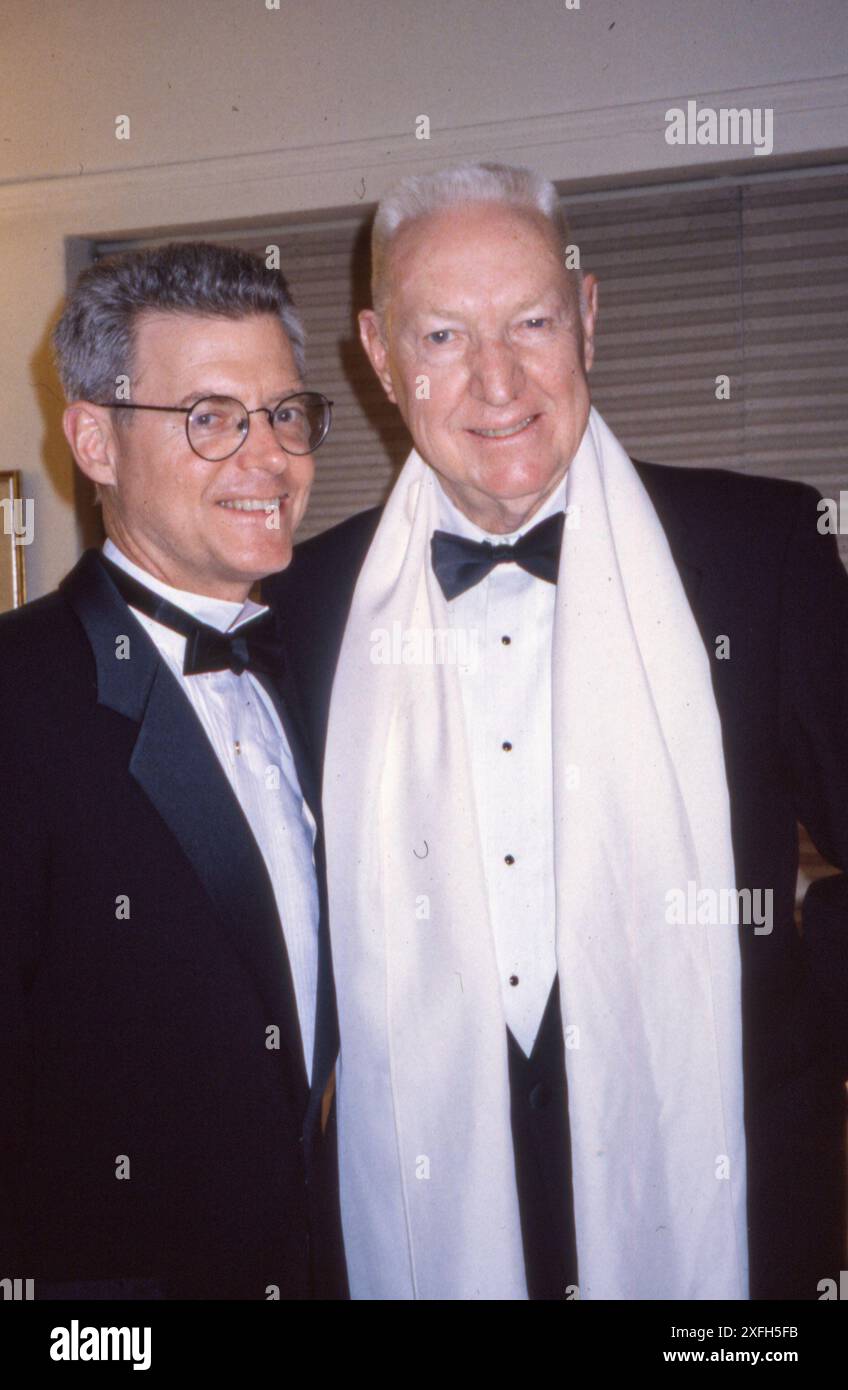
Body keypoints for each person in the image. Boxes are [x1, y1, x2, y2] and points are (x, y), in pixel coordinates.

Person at [265, 163, 848, 1301]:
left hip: (727, 1202)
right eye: (443, 336)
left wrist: (796, 985)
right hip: (414, 1208)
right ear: (380, 358)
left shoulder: (760, 550)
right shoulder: (302, 608)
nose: (496, 379)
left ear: (586, 316)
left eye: (530, 320)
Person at [0, 242, 347, 1299]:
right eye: (209, 416)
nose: (268, 457)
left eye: (284, 412)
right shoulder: (16, 700)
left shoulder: (327, 661)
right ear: (94, 440)